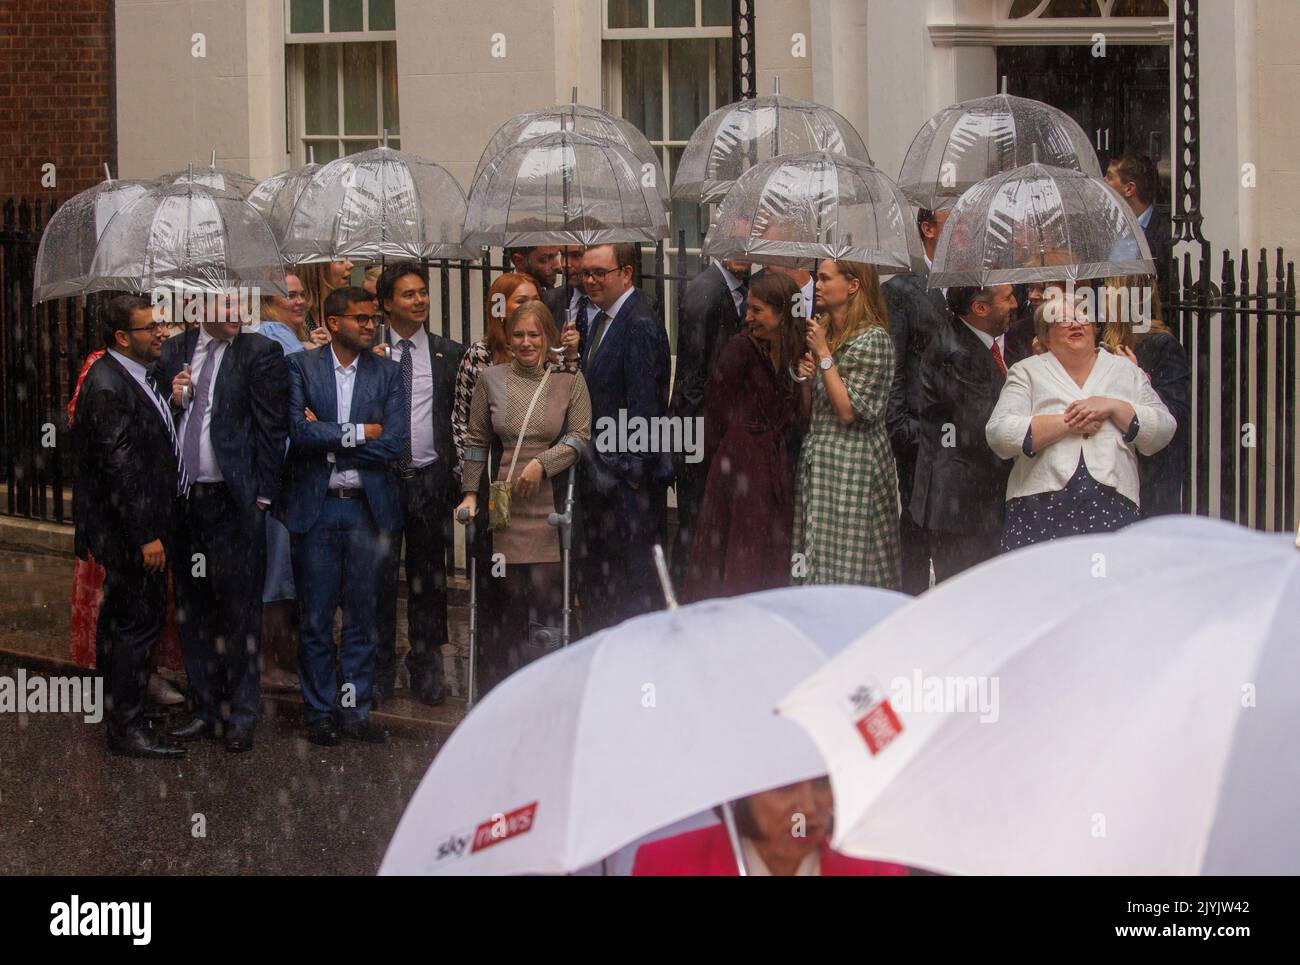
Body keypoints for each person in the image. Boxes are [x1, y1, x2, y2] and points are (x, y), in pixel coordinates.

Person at [154, 290, 289, 753]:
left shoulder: (260, 353)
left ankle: (243, 714)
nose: (235, 315)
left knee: (239, 611)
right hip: (187, 504)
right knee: (194, 609)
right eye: (225, 307)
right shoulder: (174, 350)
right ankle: (206, 709)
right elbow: (155, 423)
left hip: (236, 505)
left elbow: (273, 428)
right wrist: (174, 401)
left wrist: (263, 498)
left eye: (240, 307)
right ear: (199, 307)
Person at [280, 286, 407, 746]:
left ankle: (355, 711)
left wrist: (329, 435)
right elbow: (297, 435)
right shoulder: (299, 367)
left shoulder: (390, 373)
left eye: (373, 319)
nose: (371, 326)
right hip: (317, 511)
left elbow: (394, 443)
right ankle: (319, 712)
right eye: (361, 319)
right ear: (334, 323)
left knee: (362, 618)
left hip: (367, 513)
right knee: (314, 619)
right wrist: (359, 432)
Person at [455, 301, 591, 694]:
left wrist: (542, 464)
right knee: (509, 605)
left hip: (548, 511)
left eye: (535, 334)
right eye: (519, 335)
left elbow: (581, 437)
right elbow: (477, 441)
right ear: (508, 338)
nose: (527, 342)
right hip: (504, 508)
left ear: (548, 337)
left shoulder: (570, 380)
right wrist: (468, 494)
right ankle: (509, 689)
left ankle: (546, 688)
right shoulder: (490, 379)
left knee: (547, 605)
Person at [72, 294, 187, 758]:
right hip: (132, 532)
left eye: (160, 324)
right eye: (150, 328)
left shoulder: (137, 375)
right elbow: (121, 469)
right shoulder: (106, 385)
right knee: (136, 625)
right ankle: (127, 727)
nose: (162, 333)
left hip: (136, 527)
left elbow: (147, 440)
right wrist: (146, 536)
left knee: (123, 622)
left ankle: (126, 708)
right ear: (123, 337)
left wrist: (175, 403)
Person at [986, 293, 1176, 550]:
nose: (1075, 324)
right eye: (1062, 320)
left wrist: (1112, 406)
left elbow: (1164, 428)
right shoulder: (1026, 371)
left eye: (1082, 316)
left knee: (1105, 588)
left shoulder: (1125, 370)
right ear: (1045, 336)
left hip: (1112, 506)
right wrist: (1067, 422)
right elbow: (1000, 433)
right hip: (1038, 510)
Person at [373, 262, 463, 706]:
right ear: (387, 303)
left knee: (430, 580)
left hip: (429, 479)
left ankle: (426, 665)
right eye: (408, 294)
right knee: (379, 578)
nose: (420, 300)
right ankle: (378, 668)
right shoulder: (369, 351)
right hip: (382, 481)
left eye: (423, 292)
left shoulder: (450, 353)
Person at [574, 242, 673, 633]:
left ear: (627, 273)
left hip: (626, 487)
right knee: (603, 586)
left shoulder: (640, 322)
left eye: (600, 272)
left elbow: (645, 408)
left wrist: (628, 472)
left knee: (631, 591)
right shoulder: (598, 320)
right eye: (586, 273)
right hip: (601, 481)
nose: (591, 281)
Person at [684, 271, 799, 602]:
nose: (748, 317)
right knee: (738, 563)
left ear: (782, 313)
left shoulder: (796, 349)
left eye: (758, 310)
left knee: (768, 559)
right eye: (748, 308)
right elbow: (715, 414)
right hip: (738, 470)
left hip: (774, 469)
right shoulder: (738, 349)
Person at [792, 259, 900, 589]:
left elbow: (849, 411)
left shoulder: (873, 340)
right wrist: (807, 378)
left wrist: (824, 355)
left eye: (825, 279)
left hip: (854, 464)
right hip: (821, 460)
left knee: (854, 566)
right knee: (815, 562)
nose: (818, 285)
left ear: (852, 285)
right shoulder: (825, 333)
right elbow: (811, 412)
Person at [910, 284, 1018, 583]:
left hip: (973, 502)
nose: (1015, 303)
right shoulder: (957, 353)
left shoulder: (974, 342)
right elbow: (983, 428)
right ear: (980, 308)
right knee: (966, 603)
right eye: (1006, 298)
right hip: (961, 505)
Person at [668, 255, 751, 587]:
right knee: (695, 531)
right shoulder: (706, 290)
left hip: (714, 435)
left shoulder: (739, 289)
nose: (745, 252)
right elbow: (693, 379)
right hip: (702, 437)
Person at [632, 778, 908, 876]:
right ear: (740, 795)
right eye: (785, 788)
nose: (809, 807)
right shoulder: (666, 865)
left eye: (821, 784)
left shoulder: (876, 868)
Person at [885, 207, 950, 594]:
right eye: (953, 221)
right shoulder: (901, 290)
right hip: (918, 432)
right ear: (928, 229)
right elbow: (896, 364)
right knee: (916, 532)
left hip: (957, 433)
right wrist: (903, 428)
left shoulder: (966, 285)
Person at [1099, 275, 1190, 516]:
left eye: (1108, 289)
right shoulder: (1104, 342)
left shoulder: (1162, 344)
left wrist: (1136, 375)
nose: (1102, 295)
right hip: (1115, 470)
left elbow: (1176, 414)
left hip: (1152, 477)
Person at [1105, 153, 1171, 302]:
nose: (1103, 182)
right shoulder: (1107, 227)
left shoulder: (1166, 234)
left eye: (1109, 177)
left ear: (1129, 188)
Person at [260, 271, 330, 351]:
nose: (301, 301)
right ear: (268, 300)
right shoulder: (272, 330)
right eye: (291, 295)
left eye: (302, 295)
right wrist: (315, 352)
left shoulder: (298, 334)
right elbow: (301, 362)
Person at [296, 259, 354, 334]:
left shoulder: (351, 309)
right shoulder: (298, 320)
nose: (351, 265)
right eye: (340, 260)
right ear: (319, 270)